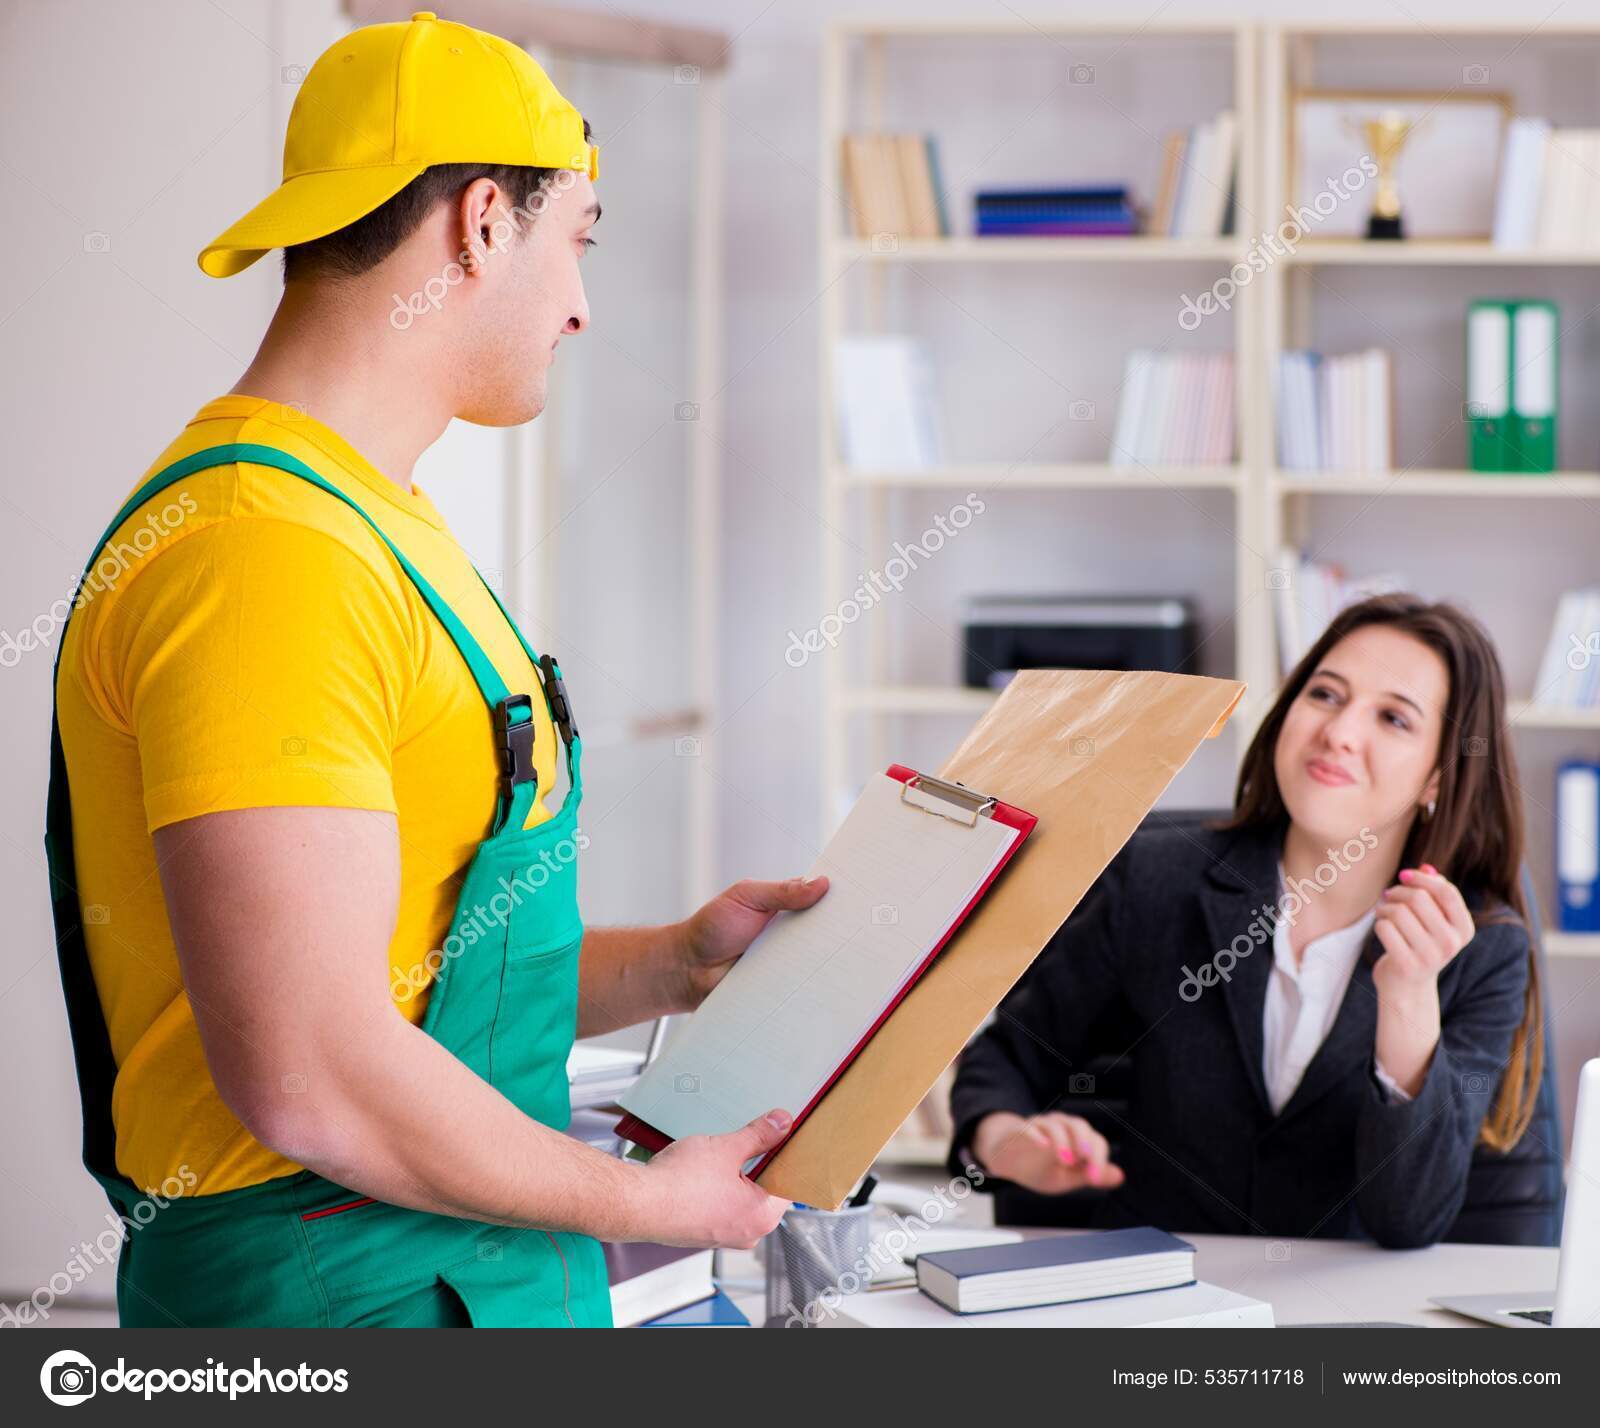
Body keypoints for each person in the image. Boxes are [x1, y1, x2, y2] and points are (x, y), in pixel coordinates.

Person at [46, 11, 825, 1328]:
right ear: (479, 224)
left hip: (466, 1267)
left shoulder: (368, 518)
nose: (581, 305)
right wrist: (653, 1204)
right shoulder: (264, 556)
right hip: (345, 1294)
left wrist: (673, 966)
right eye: (576, 239)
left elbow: (404, 975)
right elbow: (312, 1073)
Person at [949, 593, 1544, 1249]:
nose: (1340, 732)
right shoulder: (1156, 880)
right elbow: (1008, 1057)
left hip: (1344, 1324)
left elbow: (1408, 1218)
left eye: (1394, 719)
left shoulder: (1485, 948)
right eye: (1325, 695)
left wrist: (1407, 997)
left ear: (1439, 776)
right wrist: (1006, 1140)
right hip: (1150, 1298)